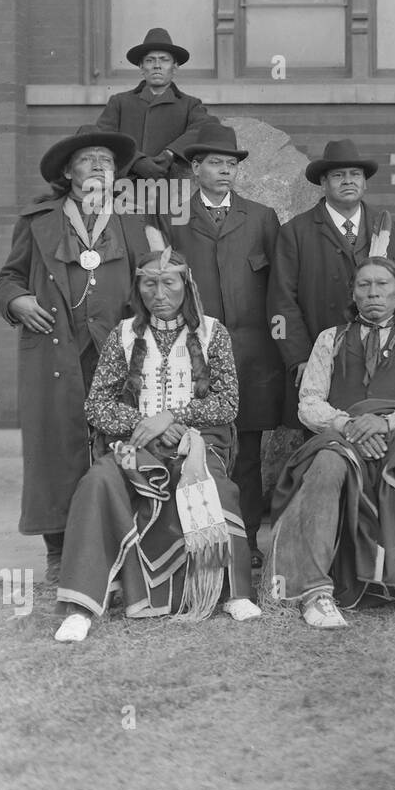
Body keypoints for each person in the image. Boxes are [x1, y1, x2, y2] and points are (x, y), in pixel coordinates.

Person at [52, 249, 261, 642]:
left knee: (212, 488)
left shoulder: (213, 333)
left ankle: (228, 591)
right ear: (138, 287)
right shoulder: (124, 335)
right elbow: (96, 404)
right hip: (133, 443)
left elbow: (228, 402)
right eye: (150, 283)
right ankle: (82, 606)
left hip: (196, 442)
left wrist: (173, 418)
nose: (159, 292)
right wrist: (144, 423)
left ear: (186, 285)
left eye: (169, 282)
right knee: (97, 483)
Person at [0, 126, 156, 579]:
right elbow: (7, 279)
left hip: (116, 353)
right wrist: (17, 301)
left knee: (117, 443)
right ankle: (58, 546)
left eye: (106, 159)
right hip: (54, 351)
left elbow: (153, 284)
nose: (99, 166)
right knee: (56, 447)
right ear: (68, 172)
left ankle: (117, 539)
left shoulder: (133, 223)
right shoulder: (37, 221)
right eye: (88, 159)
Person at [266, 258, 395, 629]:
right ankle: (315, 592)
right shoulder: (330, 339)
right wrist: (351, 425)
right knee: (326, 466)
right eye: (364, 286)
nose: (374, 293)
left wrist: (386, 423)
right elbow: (308, 403)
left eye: (383, 285)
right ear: (353, 293)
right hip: (345, 433)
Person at [159, 122, 284, 570]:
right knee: (191, 445)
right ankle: (193, 541)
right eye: (215, 163)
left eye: (231, 164)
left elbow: (278, 285)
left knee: (246, 451)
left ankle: (246, 541)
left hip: (251, 356)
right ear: (195, 169)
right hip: (189, 351)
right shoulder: (173, 218)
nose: (225, 171)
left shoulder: (262, 217)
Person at [269, 138, 395, 424]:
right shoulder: (296, 232)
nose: (348, 181)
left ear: (365, 182)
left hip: (382, 362)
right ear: (323, 183)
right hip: (320, 363)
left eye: (355, 174)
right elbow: (280, 305)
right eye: (338, 175)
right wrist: (299, 358)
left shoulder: (385, 227)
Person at [94, 27, 209, 180]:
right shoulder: (120, 102)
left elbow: (203, 129)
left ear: (175, 67)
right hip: (125, 191)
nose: (157, 65)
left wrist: (170, 154)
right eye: (149, 60)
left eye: (164, 60)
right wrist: (135, 161)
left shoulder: (191, 105)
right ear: (141, 67)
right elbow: (102, 137)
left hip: (171, 190)